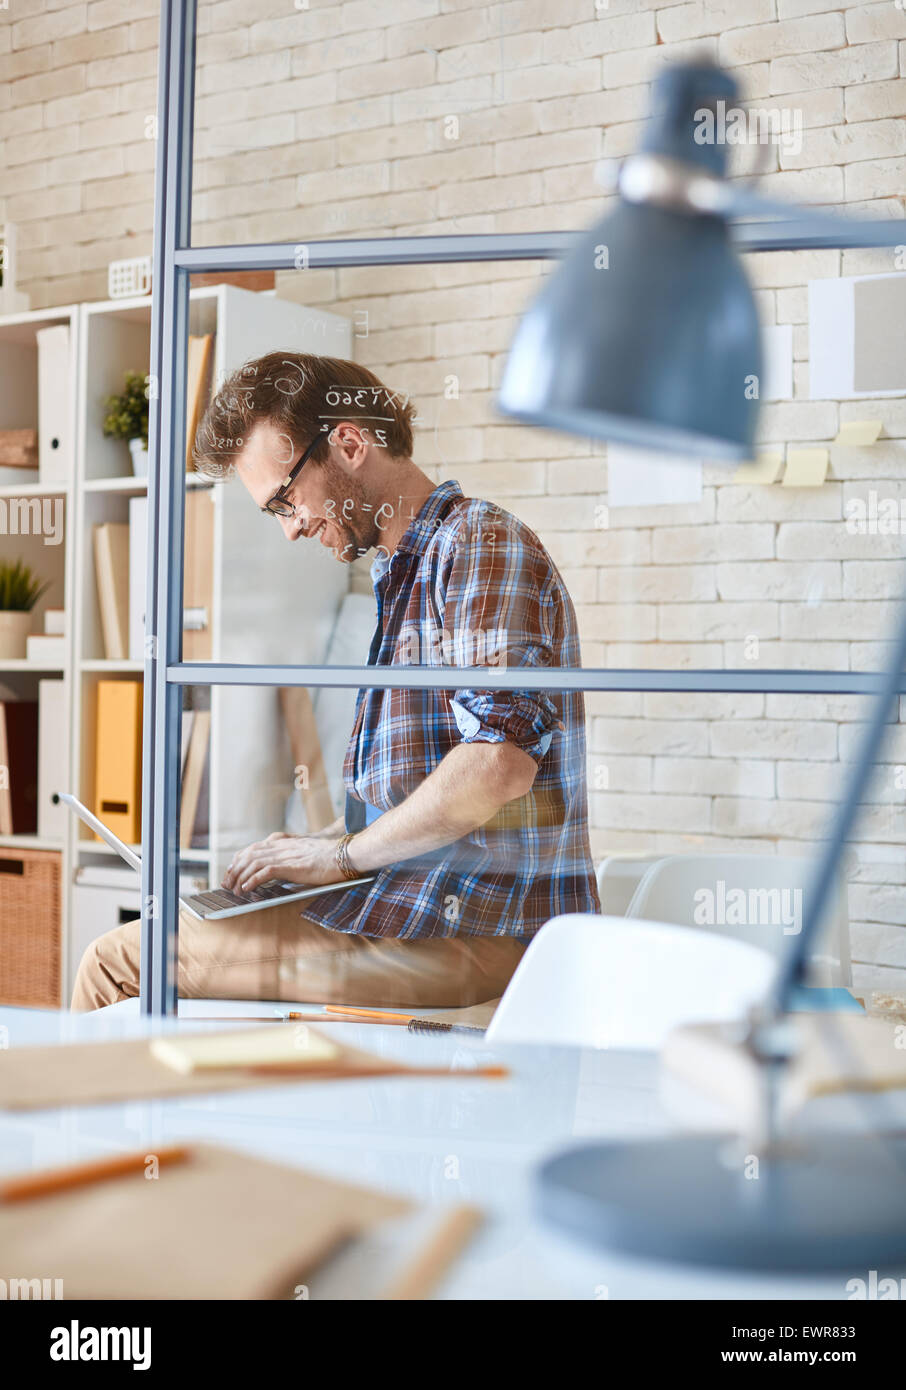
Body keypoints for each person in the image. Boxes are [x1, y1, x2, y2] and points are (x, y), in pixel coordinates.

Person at [71, 352, 599, 1011]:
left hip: (481, 929)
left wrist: (341, 859)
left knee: (118, 962)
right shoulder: (401, 573)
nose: (290, 528)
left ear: (349, 442)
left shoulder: (480, 545)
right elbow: (419, 796)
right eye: (275, 513)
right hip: (416, 909)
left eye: (286, 500)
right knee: (191, 945)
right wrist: (315, 849)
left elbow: (499, 766)